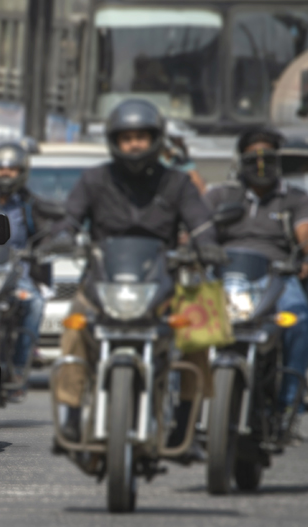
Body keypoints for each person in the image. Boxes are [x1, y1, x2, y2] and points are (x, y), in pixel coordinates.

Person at [51, 99, 223, 450]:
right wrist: (63, 237)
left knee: (202, 327)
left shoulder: (177, 183)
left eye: (141, 137)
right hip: (103, 283)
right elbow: (69, 219)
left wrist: (207, 244)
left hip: (165, 283)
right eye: (127, 137)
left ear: (156, 140)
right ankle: (69, 415)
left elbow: (201, 223)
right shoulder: (94, 179)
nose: (134, 145)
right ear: (115, 141)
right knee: (74, 325)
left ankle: (186, 422)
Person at [204, 127, 308, 440]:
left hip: (276, 277)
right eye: (252, 157)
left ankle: (288, 404)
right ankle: (181, 405)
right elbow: (197, 230)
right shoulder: (219, 195)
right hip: (221, 277)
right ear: (240, 160)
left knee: (297, 318)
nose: (260, 165)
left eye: (267, 158)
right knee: (184, 322)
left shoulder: (296, 198)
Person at [0, 142, 63, 402]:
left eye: (12, 168)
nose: (6, 173)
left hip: (19, 273)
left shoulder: (30, 204)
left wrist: (45, 247)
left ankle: (18, 369)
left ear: (22, 172)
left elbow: (48, 232)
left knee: (35, 304)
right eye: (1, 168)